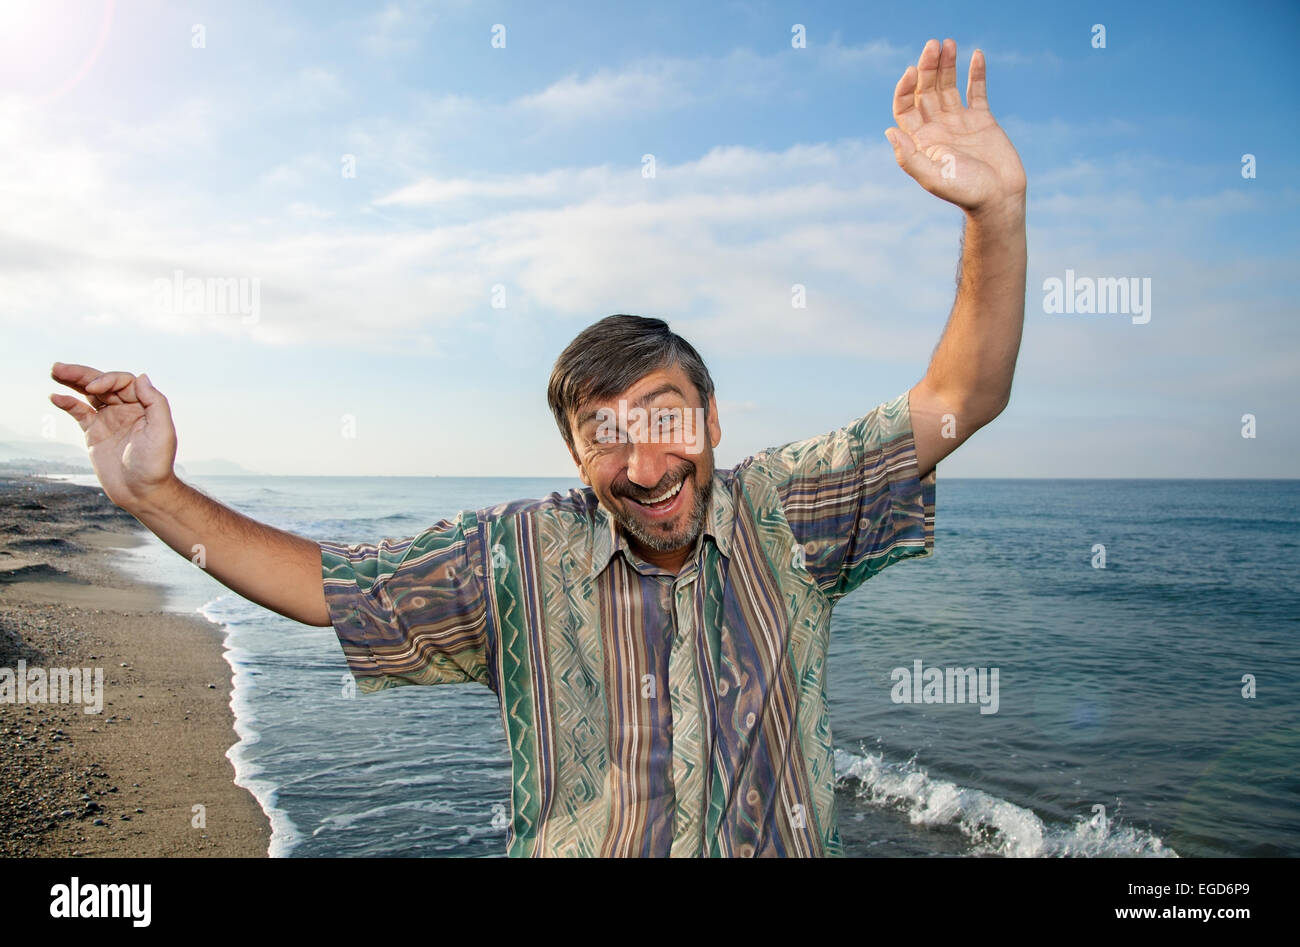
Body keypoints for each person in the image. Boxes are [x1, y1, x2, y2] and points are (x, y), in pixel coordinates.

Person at [49, 38, 1026, 856]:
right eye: (603, 434)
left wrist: (994, 215)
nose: (643, 464)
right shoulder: (515, 554)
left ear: (713, 418)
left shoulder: (790, 510)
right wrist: (153, 492)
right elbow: (329, 589)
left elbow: (960, 395)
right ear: (571, 454)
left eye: (665, 417)